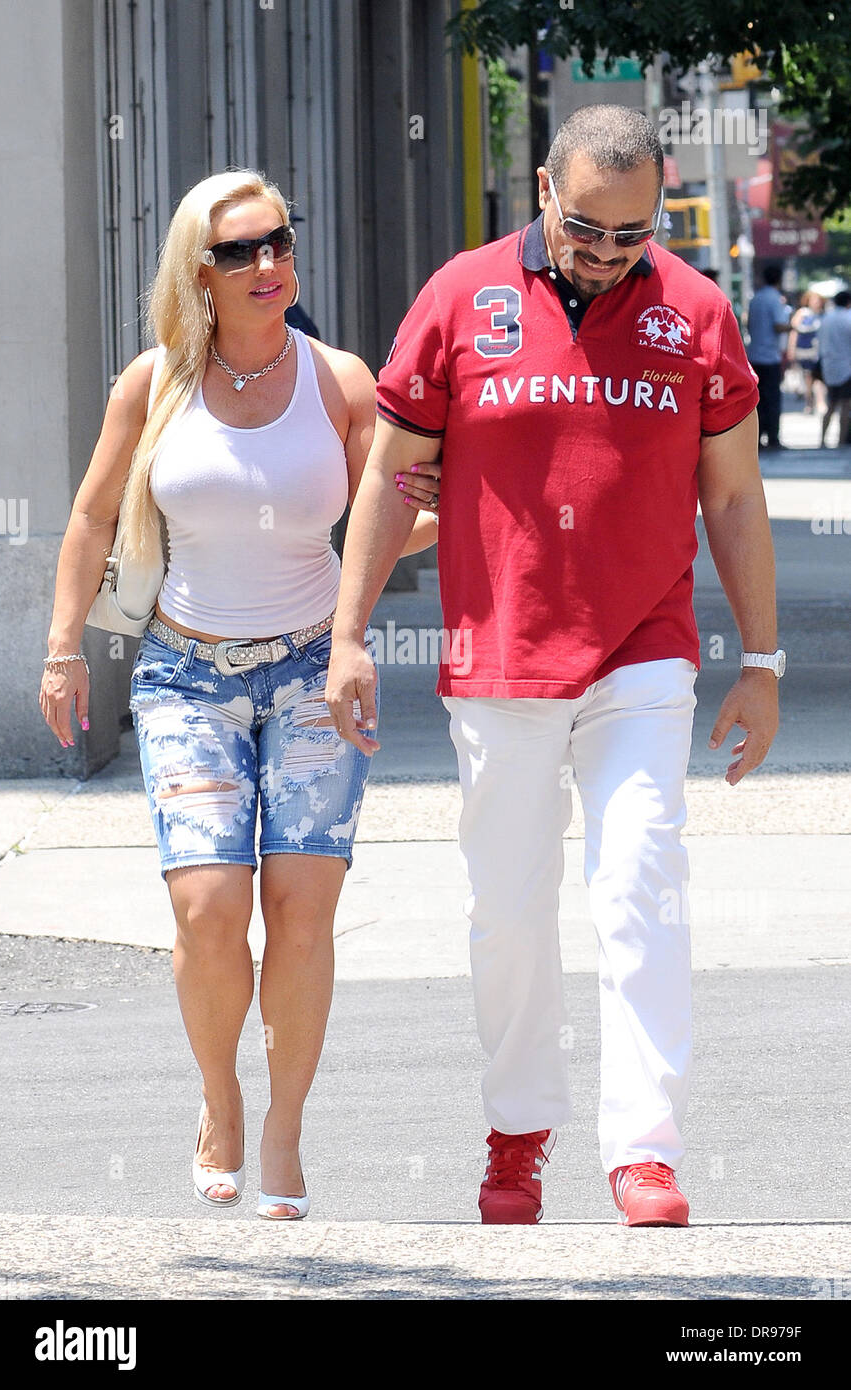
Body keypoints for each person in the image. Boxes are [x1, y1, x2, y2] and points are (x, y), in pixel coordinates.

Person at [326, 104, 784, 1228]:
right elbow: (393, 477)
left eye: (632, 234)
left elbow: (728, 495)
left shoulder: (695, 313)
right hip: (499, 654)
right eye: (585, 228)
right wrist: (347, 635)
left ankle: (643, 1152)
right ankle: (516, 1133)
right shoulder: (460, 296)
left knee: (638, 891)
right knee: (508, 910)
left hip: (642, 654)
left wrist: (762, 659)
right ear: (542, 187)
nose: (605, 252)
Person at [39, 169, 441, 1220]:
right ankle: (218, 1096)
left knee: (301, 916)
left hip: (314, 668)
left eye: (278, 243)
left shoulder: (342, 381)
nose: (269, 265)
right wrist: (62, 649)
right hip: (183, 674)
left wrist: (472, 504)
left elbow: (377, 526)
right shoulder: (153, 383)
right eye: (240, 251)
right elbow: (88, 521)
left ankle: (283, 1125)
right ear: (197, 272)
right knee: (209, 910)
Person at [746, 263, 792, 450]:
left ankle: (756, 438)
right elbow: (779, 325)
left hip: (754, 354)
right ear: (779, 280)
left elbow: (749, 324)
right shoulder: (775, 299)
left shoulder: (755, 298)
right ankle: (773, 437)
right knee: (772, 398)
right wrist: (794, 326)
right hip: (770, 356)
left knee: (756, 400)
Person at [817, 289, 851, 448]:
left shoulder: (825, 319)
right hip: (846, 367)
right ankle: (841, 440)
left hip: (828, 367)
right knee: (846, 405)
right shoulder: (848, 318)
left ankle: (822, 439)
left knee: (831, 404)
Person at [787, 289, 826, 416]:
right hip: (804, 351)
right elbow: (794, 331)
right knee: (808, 378)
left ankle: (819, 402)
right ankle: (809, 402)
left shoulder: (822, 315)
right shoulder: (802, 313)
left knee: (818, 378)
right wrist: (791, 349)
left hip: (818, 351)